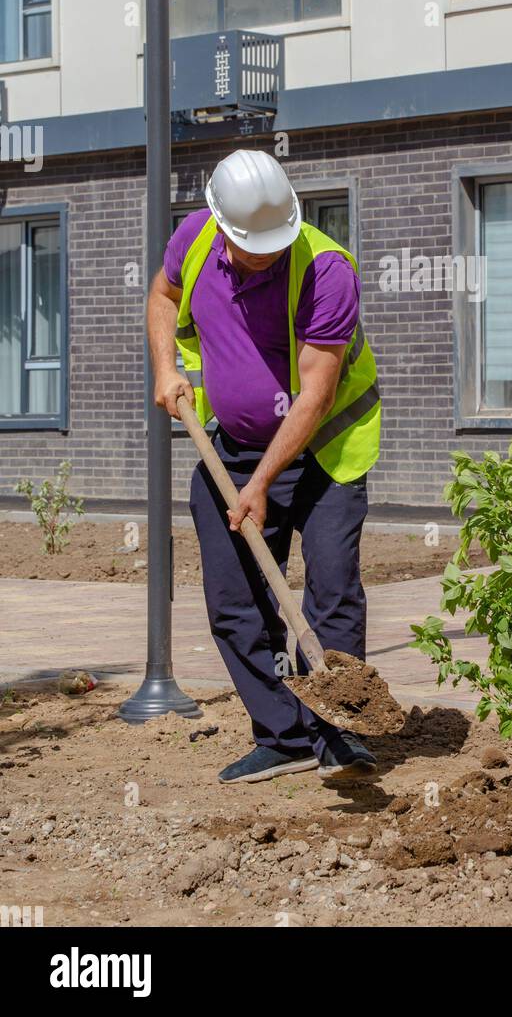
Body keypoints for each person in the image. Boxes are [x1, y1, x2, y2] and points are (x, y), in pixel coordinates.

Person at [147, 149, 381, 784]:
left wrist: (260, 484)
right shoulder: (195, 239)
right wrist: (168, 368)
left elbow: (316, 395)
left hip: (326, 446)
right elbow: (165, 297)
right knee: (235, 596)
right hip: (233, 443)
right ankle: (282, 734)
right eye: (254, 245)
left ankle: (339, 732)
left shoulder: (327, 270)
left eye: (275, 242)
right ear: (221, 225)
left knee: (331, 587)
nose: (268, 253)